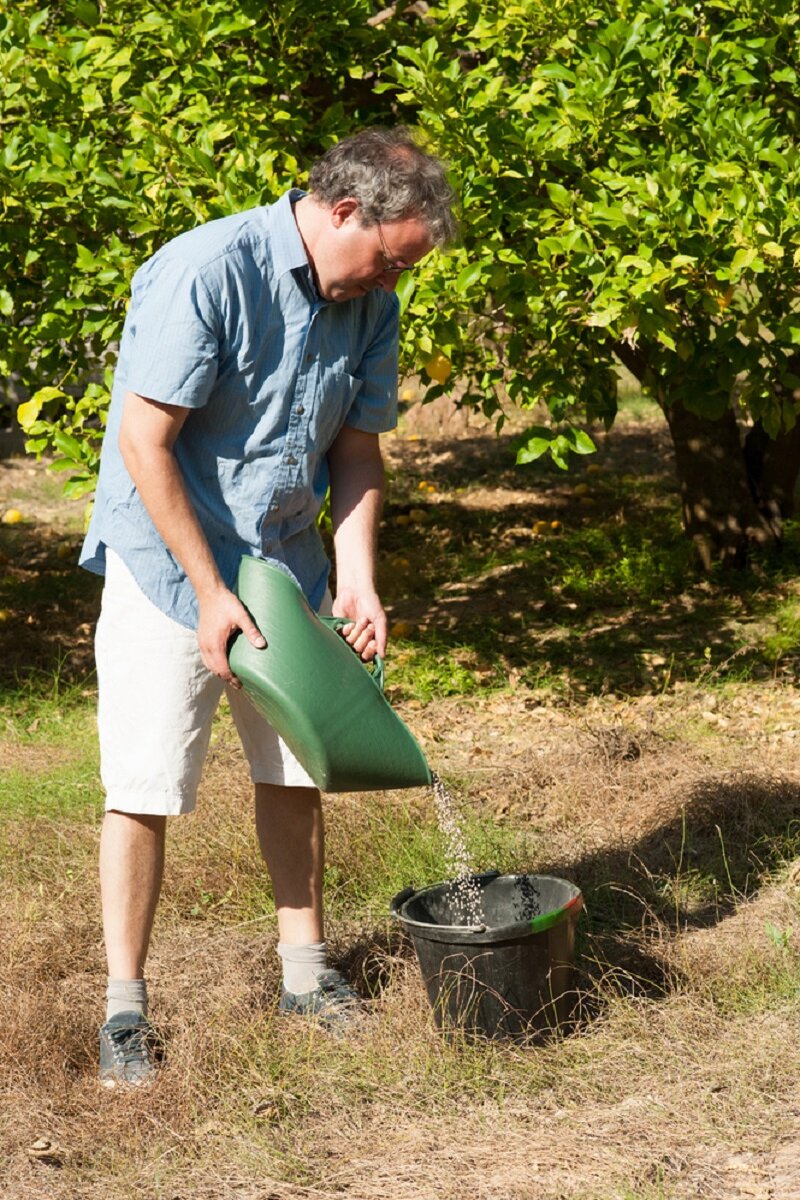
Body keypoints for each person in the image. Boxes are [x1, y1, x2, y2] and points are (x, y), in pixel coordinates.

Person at [79, 127, 456, 1086]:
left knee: (296, 767)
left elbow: (358, 452)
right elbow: (144, 442)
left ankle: (305, 975)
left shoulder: (372, 303)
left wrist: (357, 573)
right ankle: (125, 1008)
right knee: (147, 783)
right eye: (385, 260)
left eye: (400, 271)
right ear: (342, 213)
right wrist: (209, 594)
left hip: (286, 562)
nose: (386, 284)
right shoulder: (207, 271)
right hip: (171, 564)